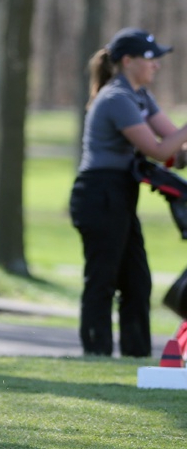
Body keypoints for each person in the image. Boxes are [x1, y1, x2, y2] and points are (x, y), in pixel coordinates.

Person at [69, 27, 187, 357]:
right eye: (150, 58)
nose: (157, 65)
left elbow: (173, 146)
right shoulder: (116, 98)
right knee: (103, 279)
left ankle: (135, 356)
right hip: (98, 193)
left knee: (137, 281)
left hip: (120, 196)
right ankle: (97, 354)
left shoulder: (140, 97)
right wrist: (176, 146)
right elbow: (156, 149)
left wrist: (181, 152)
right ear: (128, 60)